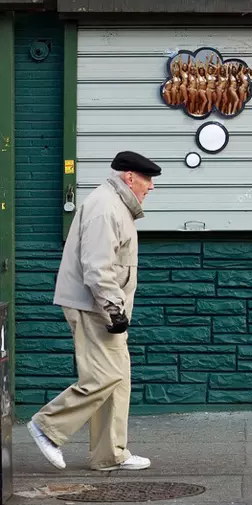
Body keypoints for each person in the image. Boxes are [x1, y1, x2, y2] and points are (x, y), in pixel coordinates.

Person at [27, 151, 161, 472]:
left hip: (102, 306)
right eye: (147, 179)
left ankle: (109, 454)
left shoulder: (116, 205)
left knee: (119, 379)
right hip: (95, 307)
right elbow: (97, 268)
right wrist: (113, 310)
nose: (151, 187)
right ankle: (48, 427)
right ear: (130, 177)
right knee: (104, 375)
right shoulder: (105, 208)